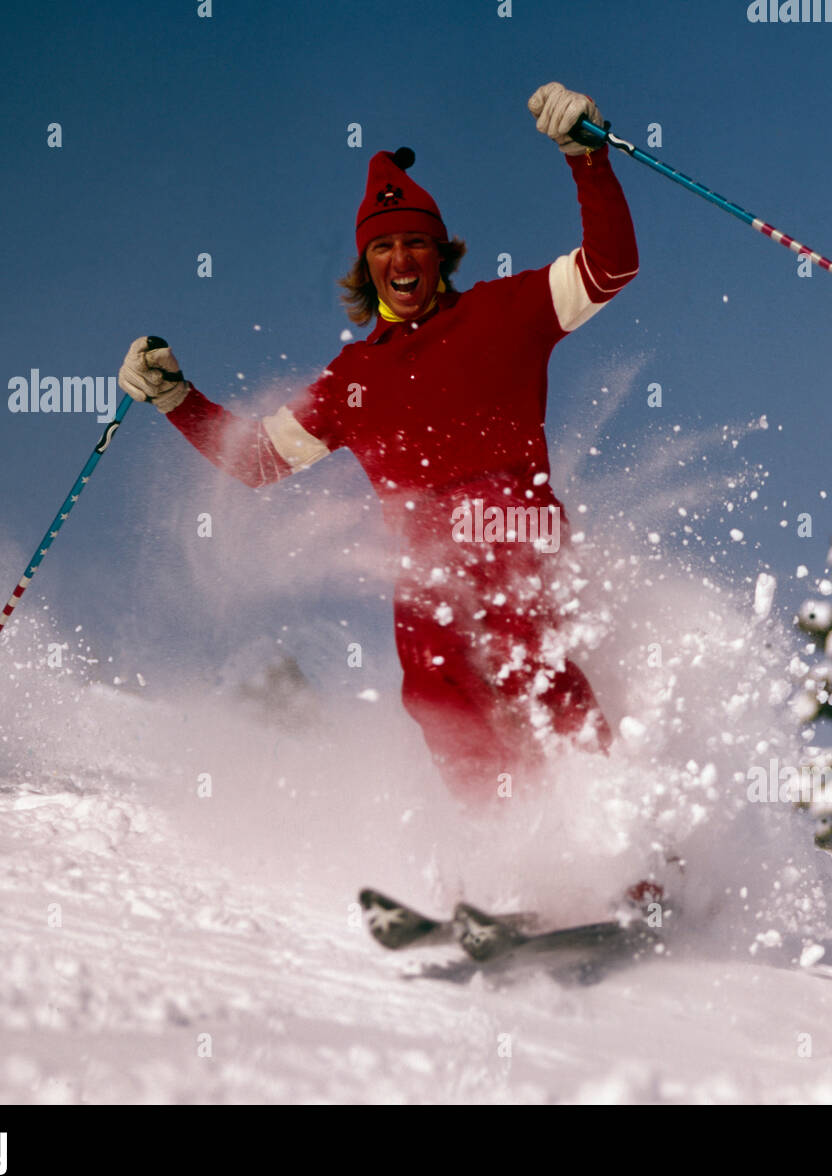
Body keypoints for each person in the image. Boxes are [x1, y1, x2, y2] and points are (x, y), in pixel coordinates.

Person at [120, 82, 638, 801]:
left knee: (519, 650)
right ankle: (507, 833)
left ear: (440, 253)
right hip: (428, 553)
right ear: (366, 266)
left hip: (513, 518)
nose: (401, 259)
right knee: (432, 672)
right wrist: (177, 398)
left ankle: (612, 813)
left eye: (416, 242)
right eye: (384, 246)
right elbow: (259, 460)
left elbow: (609, 265)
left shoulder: (504, 310)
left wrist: (586, 157)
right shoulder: (352, 379)